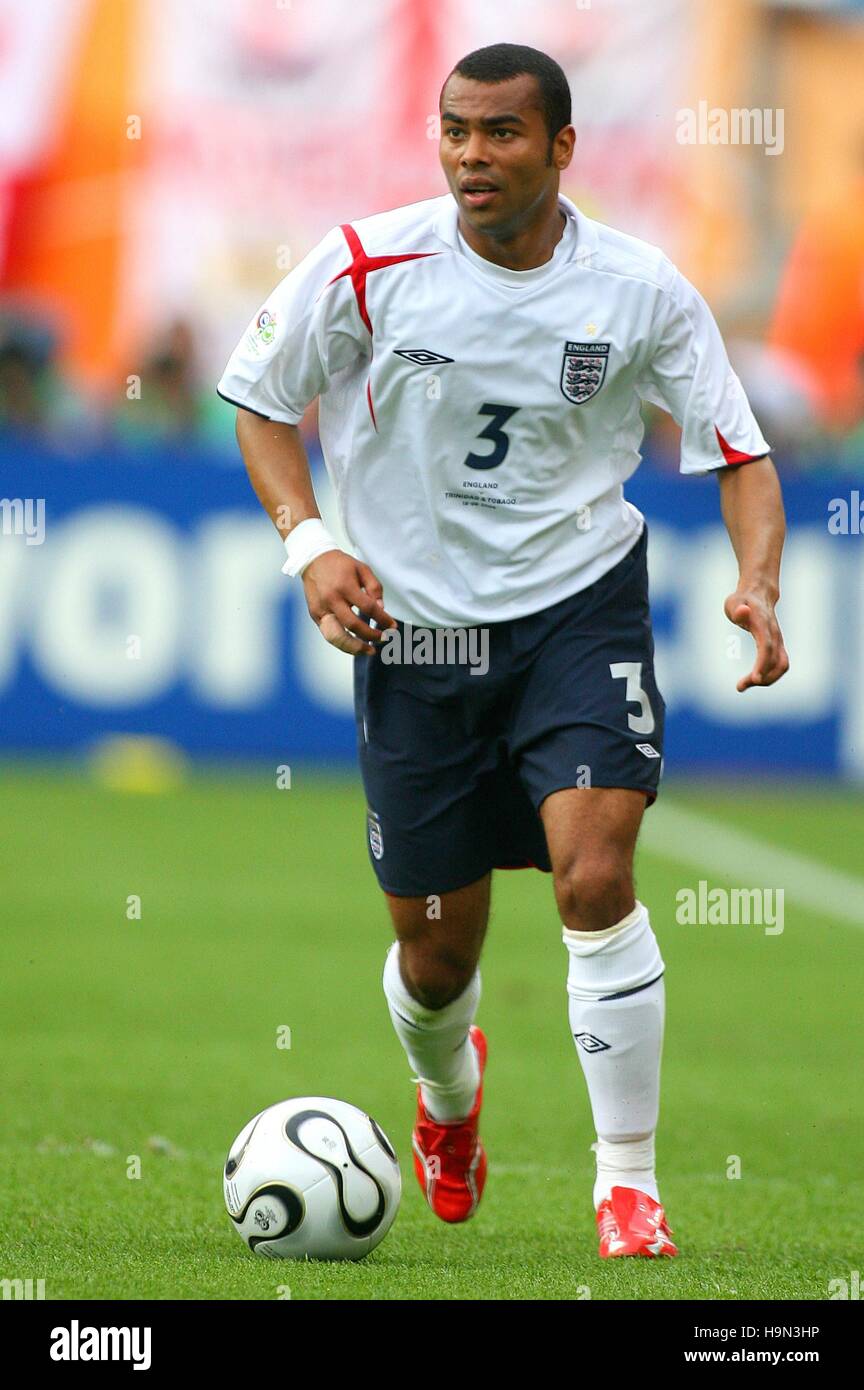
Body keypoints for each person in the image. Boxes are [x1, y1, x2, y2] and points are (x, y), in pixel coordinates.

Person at [218, 43, 789, 1259]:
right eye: (455, 132)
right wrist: (309, 542)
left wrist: (754, 581)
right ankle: (446, 1104)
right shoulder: (369, 263)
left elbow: (736, 451)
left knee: (593, 876)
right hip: (414, 641)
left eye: (501, 135)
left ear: (561, 148)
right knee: (433, 955)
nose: (473, 156)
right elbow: (261, 397)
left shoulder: (637, 289)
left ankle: (624, 1184)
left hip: (578, 614)